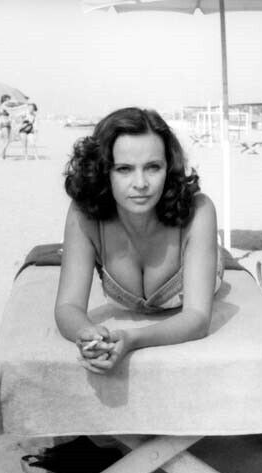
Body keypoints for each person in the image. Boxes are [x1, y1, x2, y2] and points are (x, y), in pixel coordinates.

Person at [54, 107, 223, 375]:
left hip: (202, 256)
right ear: (103, 171)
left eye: (153, 167)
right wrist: (87, 334)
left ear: (169, 167)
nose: (141, 183)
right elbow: (68, 306)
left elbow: (198, 318)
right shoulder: (84, 216)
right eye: (124, 169)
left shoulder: (199, 213)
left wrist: (132, 339)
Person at [0, 94, 12, 159]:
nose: (9, 101)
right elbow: (11, 111)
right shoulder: (3, 106)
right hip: (5, 124)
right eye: (8, 100)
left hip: (6, 124)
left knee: (5, 141)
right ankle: (1, 154)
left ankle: (3, 155)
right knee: (7, 141)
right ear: (5, 100)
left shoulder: (2, 106)